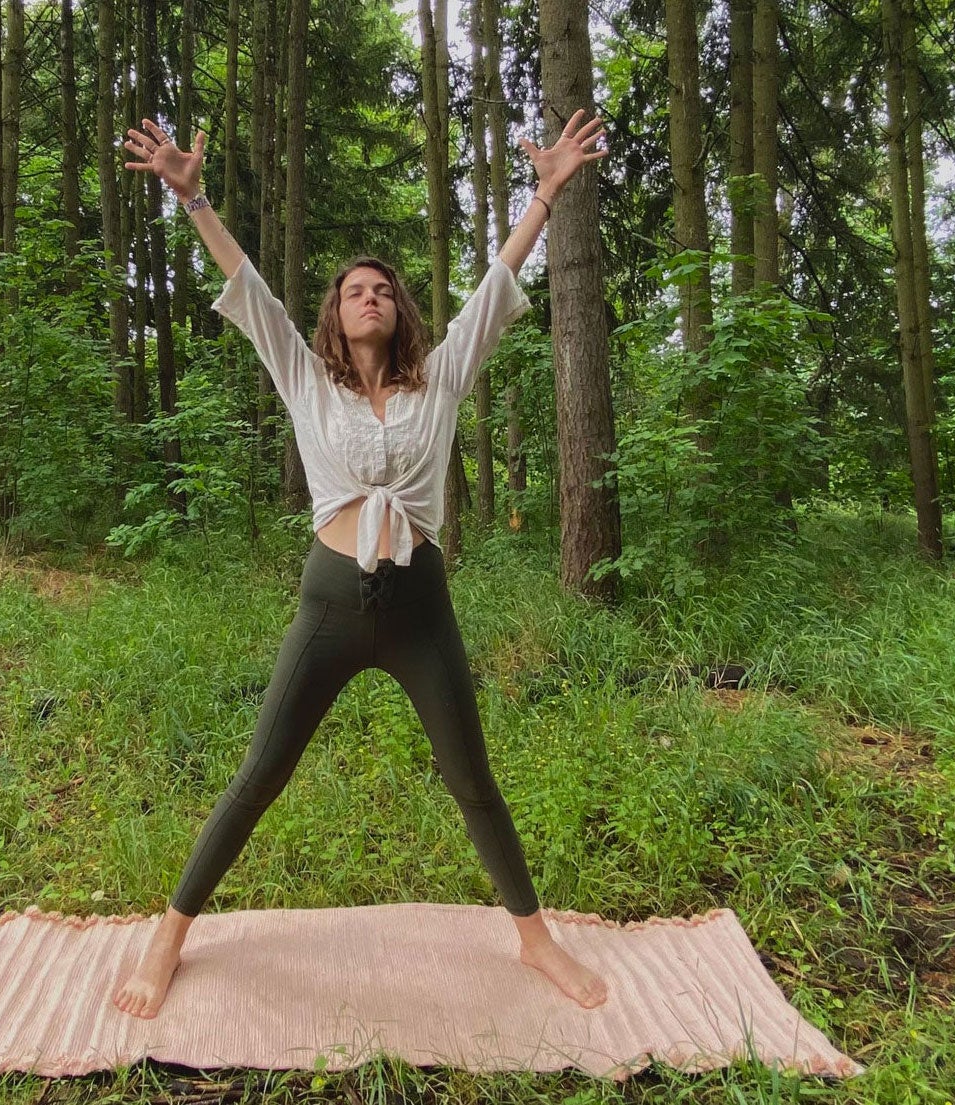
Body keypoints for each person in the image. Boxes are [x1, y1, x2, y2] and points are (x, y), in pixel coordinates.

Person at [110, 109, 611, 1019]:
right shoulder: (307, 379)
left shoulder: (442, 377)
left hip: (421, 607)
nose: (369, 296)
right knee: (261, 771)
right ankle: (171, 930)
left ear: (401, 308)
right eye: (353, 291)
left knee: (472, 780)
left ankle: (536, 938)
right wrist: (194, 200)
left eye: (382, 288)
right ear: (336, 318)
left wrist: (547, 190)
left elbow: (499, 281)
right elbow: (250, 289)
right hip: (332, 604)